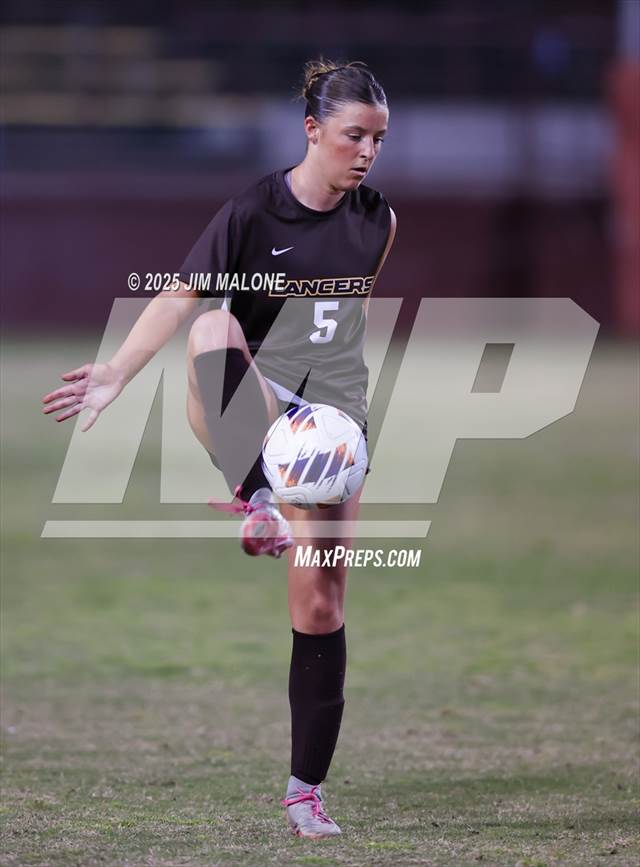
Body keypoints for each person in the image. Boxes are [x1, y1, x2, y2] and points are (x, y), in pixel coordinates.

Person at [41, 59, 397, 839]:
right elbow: (179, 296)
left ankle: (306, 791)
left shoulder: (379, 220)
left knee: (321, 604)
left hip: (333, 420)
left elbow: (342, 333)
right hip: (253, 402)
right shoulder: (252, 212)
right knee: (211, 326)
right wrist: (115, 375)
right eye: (352, 136)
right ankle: (258, 496)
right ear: (312, 130)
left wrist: (335, 434)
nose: (367, 152)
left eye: (378, 138)